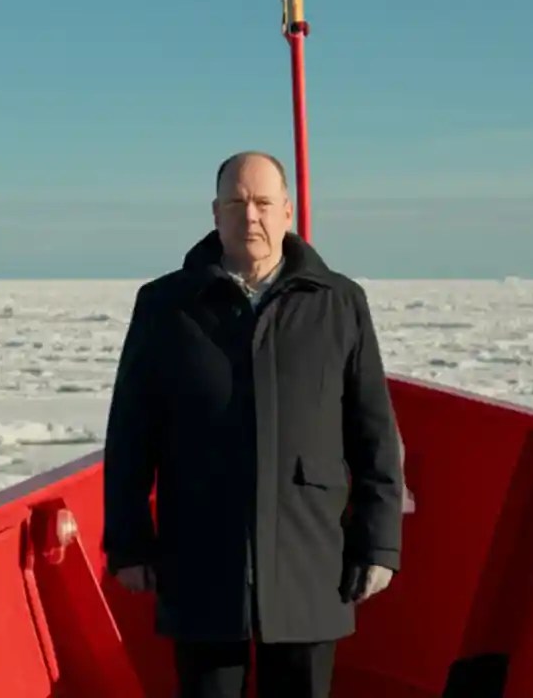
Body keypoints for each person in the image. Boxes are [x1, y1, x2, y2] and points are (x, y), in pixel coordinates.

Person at [102, 150, 404, 698]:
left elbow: (374, 435)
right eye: (237, 203)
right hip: (202, 558)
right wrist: (128, 544)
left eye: (264, 203)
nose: (251, 217)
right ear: (214, 213)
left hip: (310, 560)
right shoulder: (167, 306)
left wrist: (379, 545)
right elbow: (130, 433)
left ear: (287, 211)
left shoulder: (338, 303)